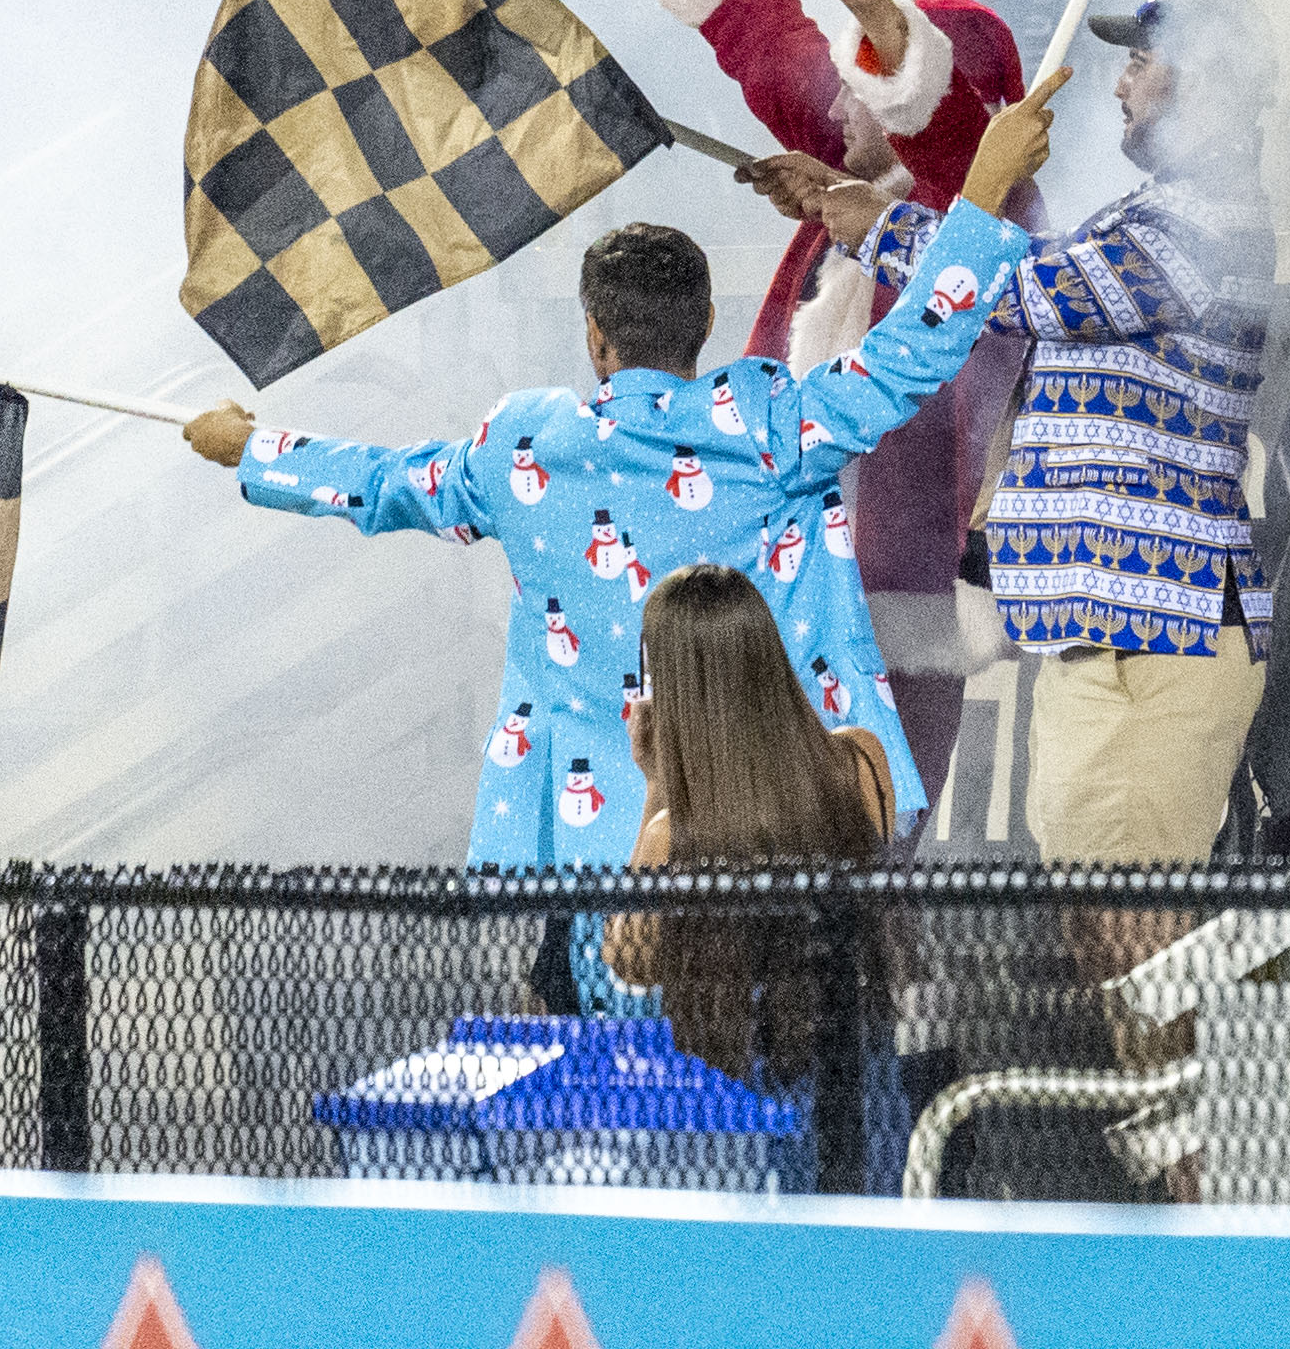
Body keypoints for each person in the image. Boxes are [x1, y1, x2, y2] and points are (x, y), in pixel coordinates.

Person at [191, 96, 1046, 973]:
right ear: (707, 325)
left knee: (608, 1089)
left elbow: (378, 483)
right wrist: (983, 186)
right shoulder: (772, 425)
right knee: (785, 1075)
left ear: (595, 337)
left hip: (594, 869)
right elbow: (915, 347)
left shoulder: (519, 449)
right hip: (782, 849)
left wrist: (247, 448)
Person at [619, 0, 1038, 794]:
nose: (851, 108)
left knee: (879, 832)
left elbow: (944, 139)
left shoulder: (982, 220)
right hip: (794, 575)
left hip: (899, 592)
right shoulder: (854, 189)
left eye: (886, 81)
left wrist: (886, 16)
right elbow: (769, 46)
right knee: (771, 821)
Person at [821, 0, 1276, 869]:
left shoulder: (1210, 221)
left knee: (1134, 931)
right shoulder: (1147, 212)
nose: (1121, 85)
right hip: (1100, 626)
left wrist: (879, 229)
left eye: (1141, 63)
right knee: (1093, 911)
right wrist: (864, 218)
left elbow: (1029, 292)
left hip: (1166, 636)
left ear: (1208, 85)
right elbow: (1030, 273)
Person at [595, 564, 906, 1173]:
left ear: (671, 688)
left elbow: (624, 965)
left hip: (741, 1125)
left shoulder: (673, 838)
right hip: (867, 1098)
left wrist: (657, 788)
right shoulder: (862, 762)